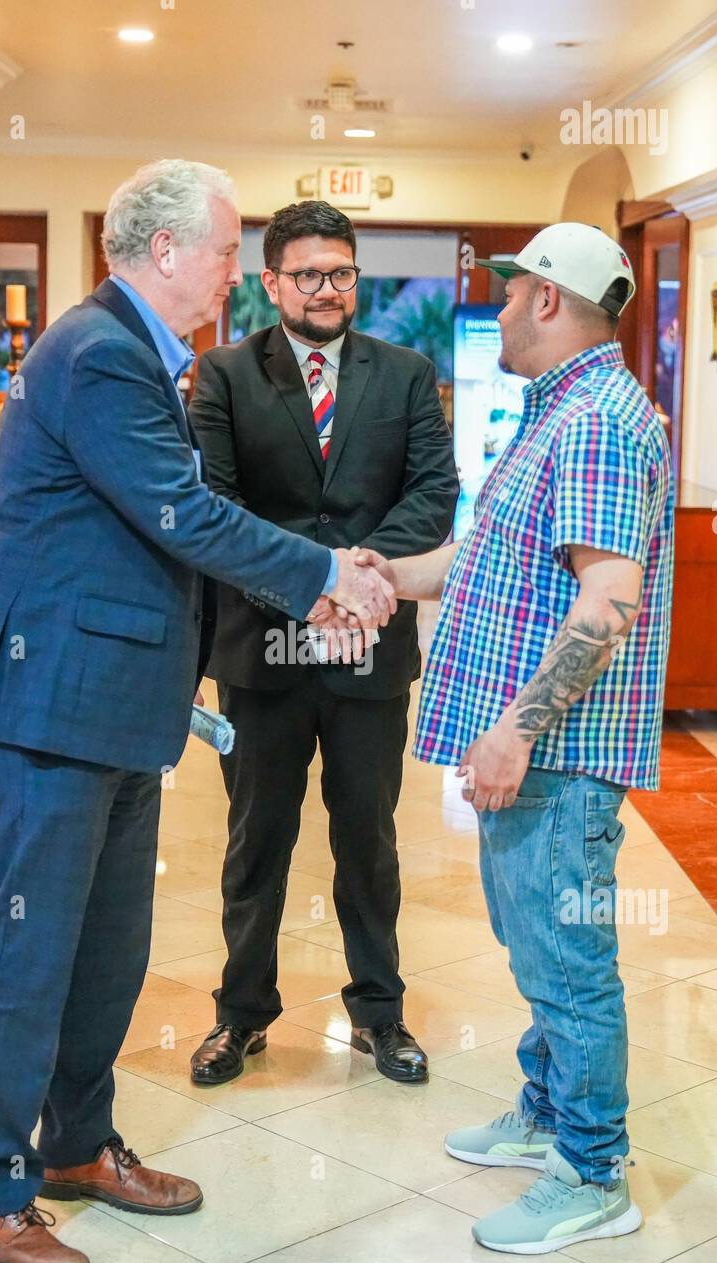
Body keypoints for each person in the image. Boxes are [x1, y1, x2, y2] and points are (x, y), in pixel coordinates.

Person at [0, 160, 395, 1263]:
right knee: (31, 947)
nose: (241, 272)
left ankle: (77, 1147)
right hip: (53, 700)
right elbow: (184, 513)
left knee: (107, 947)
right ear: (164, 250)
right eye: (233, 251)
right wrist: (328, 571)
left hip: (117, 699)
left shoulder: (138, 348)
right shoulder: (99, 353)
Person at [355, 223, 674, 1254]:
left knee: (569, 960)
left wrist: (515, 732)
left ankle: (592, 1168)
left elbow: (608, 600)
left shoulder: (596, 424)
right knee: (539, 945)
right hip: (537, 750)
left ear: (548, 299)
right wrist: (378, 576)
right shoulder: (561, 412)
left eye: (510, 290)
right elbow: (484, 558)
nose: (496, 307)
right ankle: (547, 1114)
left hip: (560, 756)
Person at [188, 201, 458, 1085]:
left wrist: (364, 577)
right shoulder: (223, 376)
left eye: (340, 272)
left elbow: (432, 492)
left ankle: (379, 1013)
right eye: (306, 274)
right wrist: (313, 587)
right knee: (255, 840)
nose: (326, 289)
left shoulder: (406, 374)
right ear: (271, 283)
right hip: (261, 646)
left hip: (370, 643)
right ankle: (240, 1016)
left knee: (368, 841)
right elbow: (216, 509)